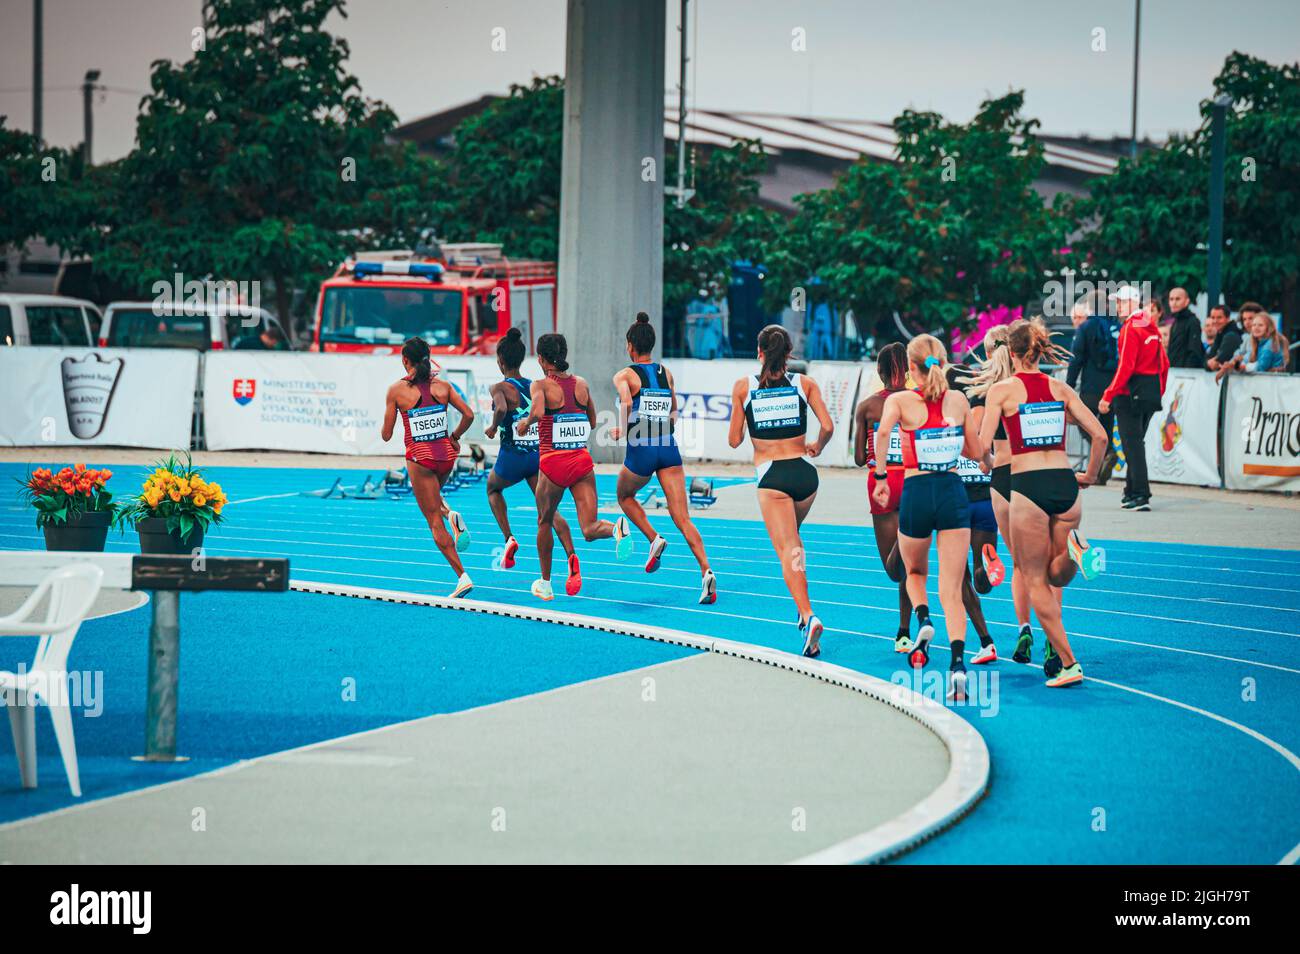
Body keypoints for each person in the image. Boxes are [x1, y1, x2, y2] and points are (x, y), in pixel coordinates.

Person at [978, 318, 1108, 688]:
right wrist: (1091, 476)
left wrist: (987, 465)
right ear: (1038, 351)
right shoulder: (1059, 387)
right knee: (1055, 573)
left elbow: (983, 444)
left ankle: (1069, 662)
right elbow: (1098, 436)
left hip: (1028, 485)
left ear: (1012, 353)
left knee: (1033, 577)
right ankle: (1076, 551)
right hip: (1066, 484)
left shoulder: (1002, 392)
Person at [872, 334, 982, 700]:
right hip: (952, 493)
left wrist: (884, 477)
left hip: (917, 492)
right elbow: (976, 450)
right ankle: (957, 666)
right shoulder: (959, 399)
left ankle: (923, 618)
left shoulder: (902, 400)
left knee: (914, 572)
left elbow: (883, 432)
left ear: (910, 369)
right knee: (952, 589)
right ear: (943, 362)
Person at [729, 324, 834, 657]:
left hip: (772, 476)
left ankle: (808, 614)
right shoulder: (805, 383)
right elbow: (829, 426)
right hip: (805, 475)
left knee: (787, 549)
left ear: (759, 353)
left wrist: (750, 417)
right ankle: (802, 609)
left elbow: (734, 440)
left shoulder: (744, 387)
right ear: (789, 354)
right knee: (794, 543)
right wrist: (816, 444)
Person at [515, 333, 631, 601]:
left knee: (544, 521)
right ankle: (616, 529)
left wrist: (525, 423)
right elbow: (591, 422)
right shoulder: (582, 384)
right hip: (581, 462)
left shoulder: (540, 385)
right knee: (589, 528)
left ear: (542, 360)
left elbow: (539, 411)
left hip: (553, 463)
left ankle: (545, 583)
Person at [611, 312, 717, 603]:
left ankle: (653, 537)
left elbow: (628, 400)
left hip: (642, 447)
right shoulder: (665, 372)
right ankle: (706, 571)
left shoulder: (624, 375)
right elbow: (673, 410)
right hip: (668, 447)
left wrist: (622, 427)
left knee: (624, 496)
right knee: (682, 517)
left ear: (630, 345)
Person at [483, 327, 582, 596]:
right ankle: (571, 554)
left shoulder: (498, 387)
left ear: (500, 361)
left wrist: (493, 427)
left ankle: (509, 538)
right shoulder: (533, 385)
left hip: (512, 457)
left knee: (493, 489)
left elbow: (502, 408)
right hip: (537, 457)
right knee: (547, 513)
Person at [381, 337, 475, 598]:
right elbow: (469, 415)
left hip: (420, 460)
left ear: (405, 361)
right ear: (428, 358)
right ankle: (450, 515)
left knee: (431, 519)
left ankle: (462, 576)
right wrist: (454, 437)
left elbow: (386, 435)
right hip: (446, 456)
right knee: (435, 500)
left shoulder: (396, 391)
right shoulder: (443, 386)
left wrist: (394, 417)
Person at [968, 324, 1040, 664]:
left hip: (1001, 479)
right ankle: (1052, 637)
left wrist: (987, 461)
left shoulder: (988, 391)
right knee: (1044, 563)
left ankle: (1024, 626)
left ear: (988, 353)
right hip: (1036, 474)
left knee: (1020, 565)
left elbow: (980, 444)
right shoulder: (1032, 387)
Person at [853, 343, 912, 652]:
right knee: (910, 567)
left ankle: (903, 632)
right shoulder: (919, 401)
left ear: (879, 372)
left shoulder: (868, 407)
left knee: (894, 570)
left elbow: (859, 459)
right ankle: (904, 631)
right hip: (915, 481)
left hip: (882, 482)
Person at [946, 359, 1002, 666]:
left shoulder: (944, 415)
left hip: (955, 499)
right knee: (980, 575)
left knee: (959, 578)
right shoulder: (986, 413)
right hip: (985, 498)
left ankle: (986, 641)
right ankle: (987, 567)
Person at [1099, 285, 1168, 512]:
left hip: (1128, 394)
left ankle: (1140, 493)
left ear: (1132, 303)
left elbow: (1125, 366)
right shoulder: (1152, 327)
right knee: (1136, 444)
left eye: (1120, 302)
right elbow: (1163, 365)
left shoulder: (1130, 327)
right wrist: (1159, 390)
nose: (1117, 306)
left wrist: (1108, 394)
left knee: (1132, 445)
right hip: (1148, 393)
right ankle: (1131, 491)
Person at [1066, 295, 1120, 486]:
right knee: (1105, 425)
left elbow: (1076, 359)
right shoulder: (1117, 327)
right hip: (1114, 385)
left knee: (1082, 421)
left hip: (1091, 386)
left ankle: (1107, 452)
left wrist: (1068, 386)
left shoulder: (1086, 327)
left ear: (1089, 305)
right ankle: (1099, 471)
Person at [1216, 309, 1291, 379]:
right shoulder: (1257, 343)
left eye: (1260, 325)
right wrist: (1233, 363)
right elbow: (1246, 358)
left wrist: (1241, 367)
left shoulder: (1271, 344)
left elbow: (1261, 367)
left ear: (1269, 328)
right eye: (1254, 325)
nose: (1256, 328)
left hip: (1273, 384)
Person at [1165, 287, 1204, 369]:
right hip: (1174, 372)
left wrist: (1186, 373)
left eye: (1178, 299)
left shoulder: (1193, 321)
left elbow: (1194, 351)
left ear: (1187, 301)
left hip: (1185, 374)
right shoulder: (1175, 322)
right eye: (1171, 299)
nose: (1174, 303)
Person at [1206, 303, 1245, 371]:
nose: (1215, 321)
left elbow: (1219, 362)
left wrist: (1212, 362)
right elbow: (1208, 361)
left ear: (1228, 318)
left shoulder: (1231, 336)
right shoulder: (1220, 334)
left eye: (1219, 317)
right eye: (1213, 317)